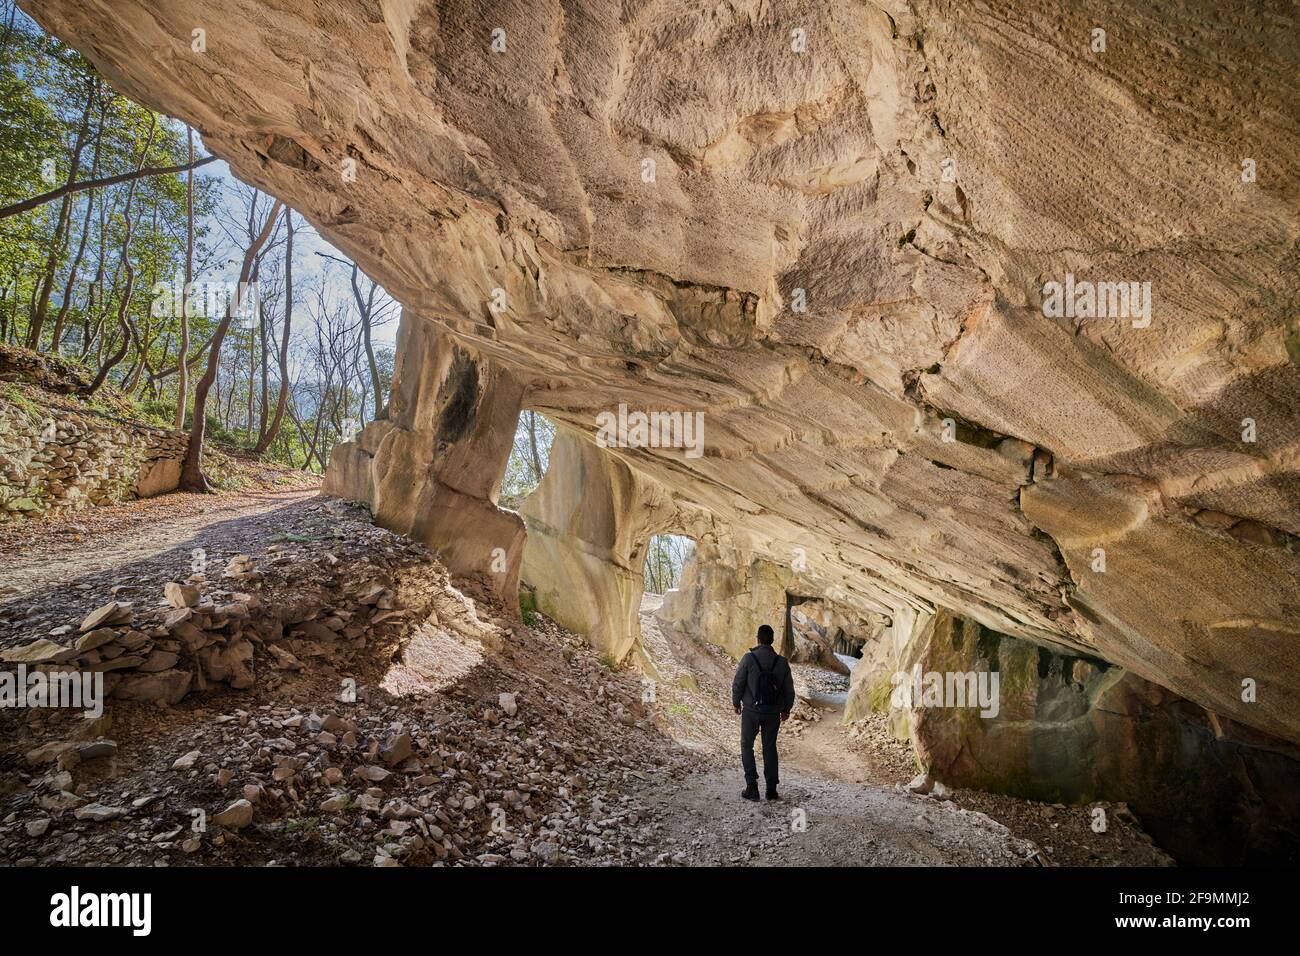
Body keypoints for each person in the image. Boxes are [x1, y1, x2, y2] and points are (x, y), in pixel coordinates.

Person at [731, 623, 796, 801]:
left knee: (746, 746)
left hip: (751, 711)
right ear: (773, 640)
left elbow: (738, 682)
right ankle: (771, 790)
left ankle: (752, 787)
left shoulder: (748, 658)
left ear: (758, 639)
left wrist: (736, 702)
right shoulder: (782, 663)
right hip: (773, 713)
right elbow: (789, 690)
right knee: (769, 748)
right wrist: (786, 709)